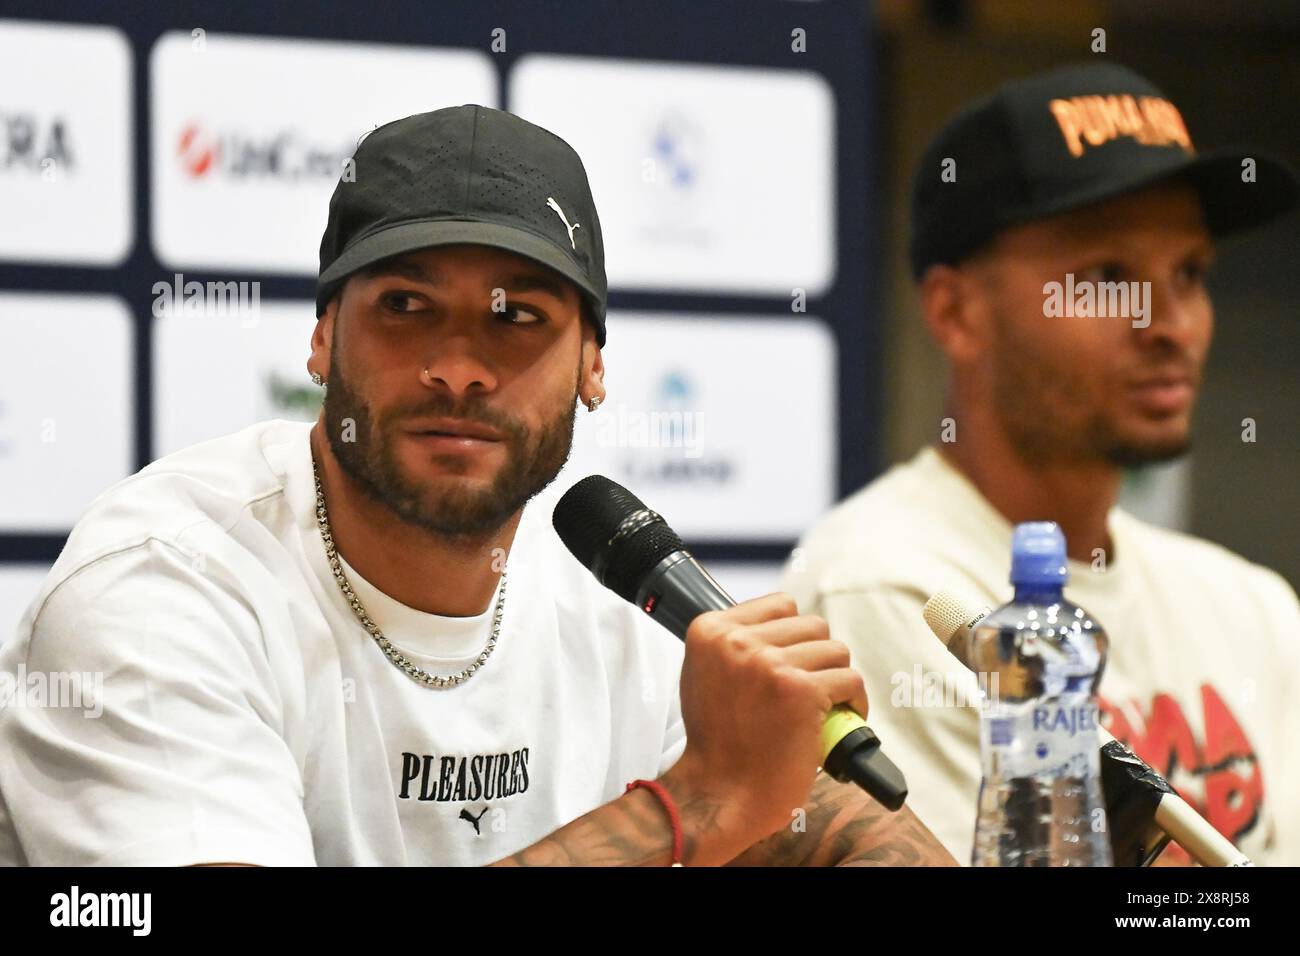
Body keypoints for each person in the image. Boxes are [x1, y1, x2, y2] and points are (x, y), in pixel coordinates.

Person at [0, 104, 951, 867]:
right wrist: (692, 807)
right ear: (325, 337)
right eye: (406, 307)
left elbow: (849, 838)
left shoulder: (617, 593)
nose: (457, 368)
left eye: (518, 318)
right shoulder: (164, 583)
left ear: (593, 366)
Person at [781, 64, 1300, 865]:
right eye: (1108, 278)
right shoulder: (891, 591)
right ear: (957, 312)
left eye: (1190, 274)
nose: (1170, 324)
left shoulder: (1253, 608)